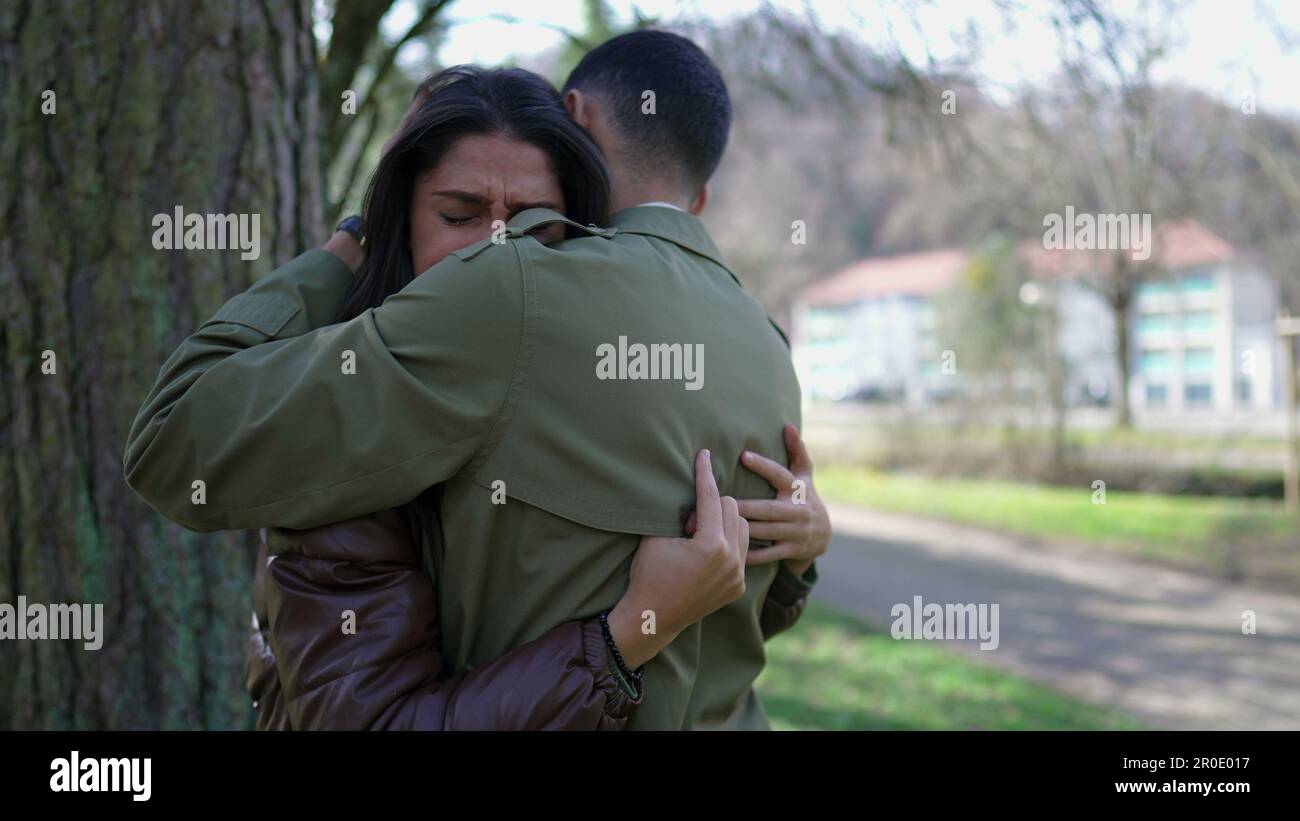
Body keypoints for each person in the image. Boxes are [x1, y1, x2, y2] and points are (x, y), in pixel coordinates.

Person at [125, 31, 830, 730]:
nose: (496, 248)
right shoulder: (763, 344)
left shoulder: (525, 309)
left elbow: (713, 608)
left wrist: (784, 560)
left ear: (577, 127)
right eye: (458, 215)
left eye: (534, 222)